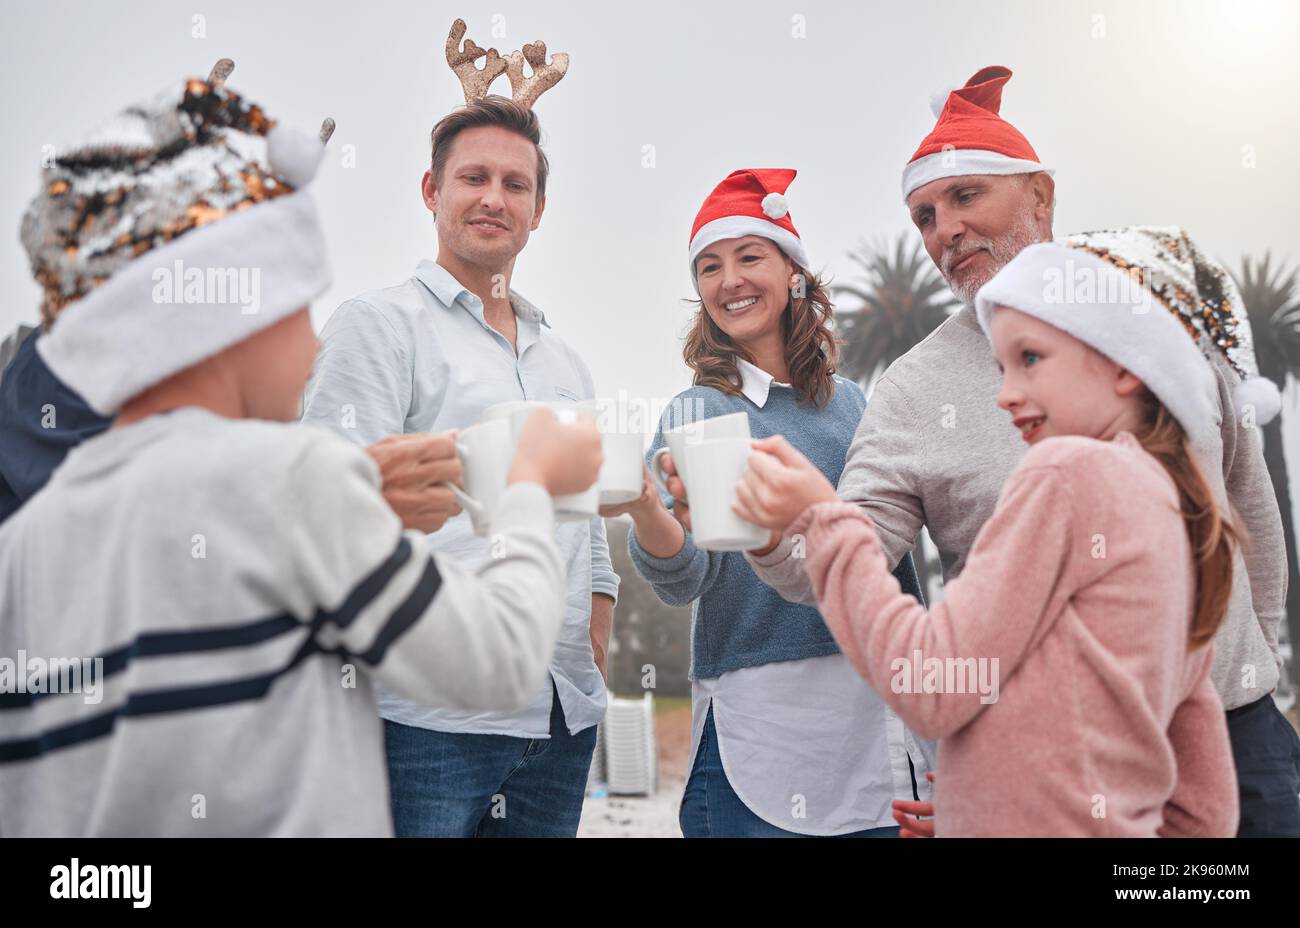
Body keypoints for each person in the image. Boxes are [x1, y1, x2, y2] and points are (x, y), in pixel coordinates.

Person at [0, 62, 601, 837]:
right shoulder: (297, 474)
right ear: (236, 319)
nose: (313, 337)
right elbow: (499, 657)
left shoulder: (25, 543)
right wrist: (523, 483)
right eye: (297, 303)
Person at [746, 65, 1297, 837]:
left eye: (965, 197)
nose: (944, 230)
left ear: (1039, 195)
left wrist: (1257, 660)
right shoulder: (912, 390)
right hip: (1072, 772)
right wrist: (774, 532)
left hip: (1240, 735)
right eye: (924, 216)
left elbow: (1245, 505)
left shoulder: (1154, 321)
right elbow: (853, 545)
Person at [735, 241, 1241, 836]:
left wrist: (823, 519)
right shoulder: (1176, 512)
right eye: (1002, 369)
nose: (1004, 394)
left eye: (1030, 358)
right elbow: (1203, 813)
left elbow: (932, 686)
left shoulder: (1067, 475)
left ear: (1124, 363)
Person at [301, 26, 617, 838]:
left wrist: (594, 651)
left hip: (558, 722)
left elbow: (589, 533)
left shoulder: (566, 364)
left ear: (538, 210)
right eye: (472, 177)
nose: (493, 198)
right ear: (430, 192)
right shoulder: (376, 327)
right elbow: (324, 507)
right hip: (424, 718)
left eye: (515, 184)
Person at [608, 168, 932, 837]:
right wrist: (646, 508)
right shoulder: (697, 411)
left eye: (749, 256)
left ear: (794, 273)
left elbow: (886, 555)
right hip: (763, 725)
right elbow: (684, 578)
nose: (730, 281)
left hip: (874, 719)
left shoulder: (854, 405)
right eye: (709, 267)